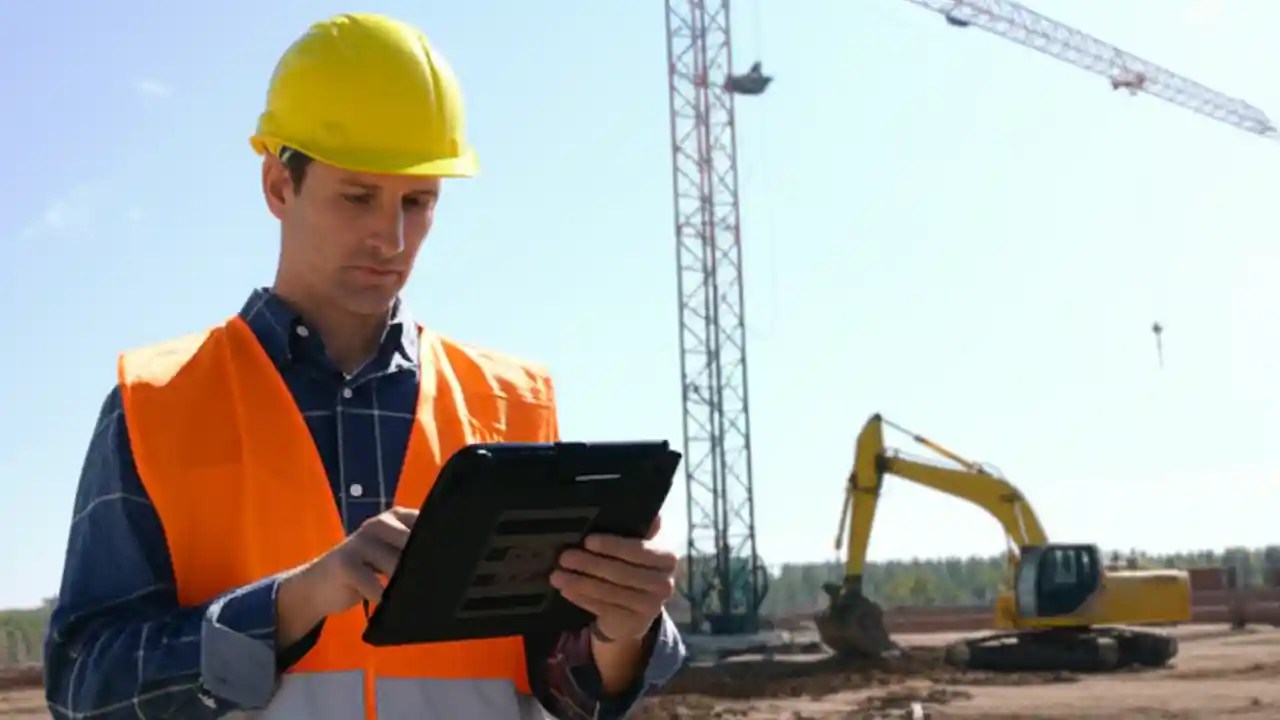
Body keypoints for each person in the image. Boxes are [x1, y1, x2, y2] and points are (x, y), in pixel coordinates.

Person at [43, 13, 686, 720]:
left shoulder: (511, 405)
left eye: (418, 201)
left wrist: (620, 634)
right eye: (358, 197)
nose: (392, 235)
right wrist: (292, 605)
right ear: (278, 186)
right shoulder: (157, 405)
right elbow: (83, 687)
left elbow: (560, 682)